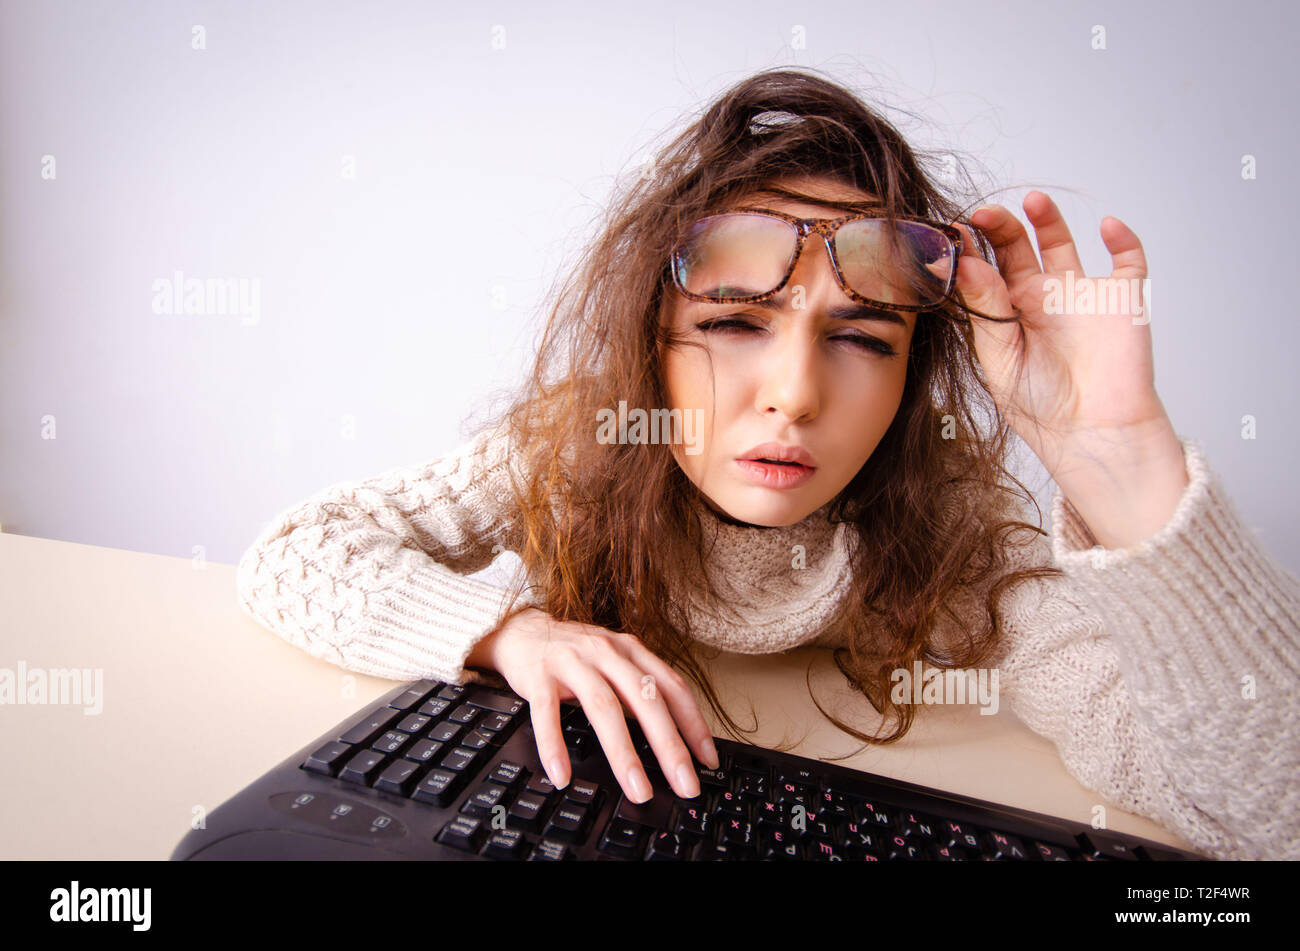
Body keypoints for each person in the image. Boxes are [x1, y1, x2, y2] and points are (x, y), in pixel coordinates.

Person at [235, 67, 1300, 860]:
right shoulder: (579, 449)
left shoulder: (954, 525)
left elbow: (1263, 813)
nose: (793, 394)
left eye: (863, 337)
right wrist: (506, 633)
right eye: (736, 323)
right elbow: (299, 553)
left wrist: (1117, 456)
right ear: (648, 336)